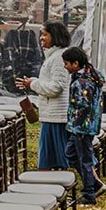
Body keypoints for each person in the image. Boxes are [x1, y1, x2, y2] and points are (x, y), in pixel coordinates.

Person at [16, 20, 72, 170]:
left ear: (55, 36)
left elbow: (56, 88)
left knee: (59, 158)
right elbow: (52, 82)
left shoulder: (59, 58)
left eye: (45, 34)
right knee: (48, 158)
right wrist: (33, 81)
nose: (41, 38)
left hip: (56, 115)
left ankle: (60, 182)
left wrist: (32, 85)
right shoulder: (53, 57)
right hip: (51, 114)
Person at [62, 45, 106, 203]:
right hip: (83, 126)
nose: (65, 66)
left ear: (75, 64)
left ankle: (89, 193)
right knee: (71, 154)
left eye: (67, 63)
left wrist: (77, 124)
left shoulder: (82, 83)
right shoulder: (90, 75)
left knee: (84, 158)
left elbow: (84, 106)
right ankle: (94, 183)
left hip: (82, 127)